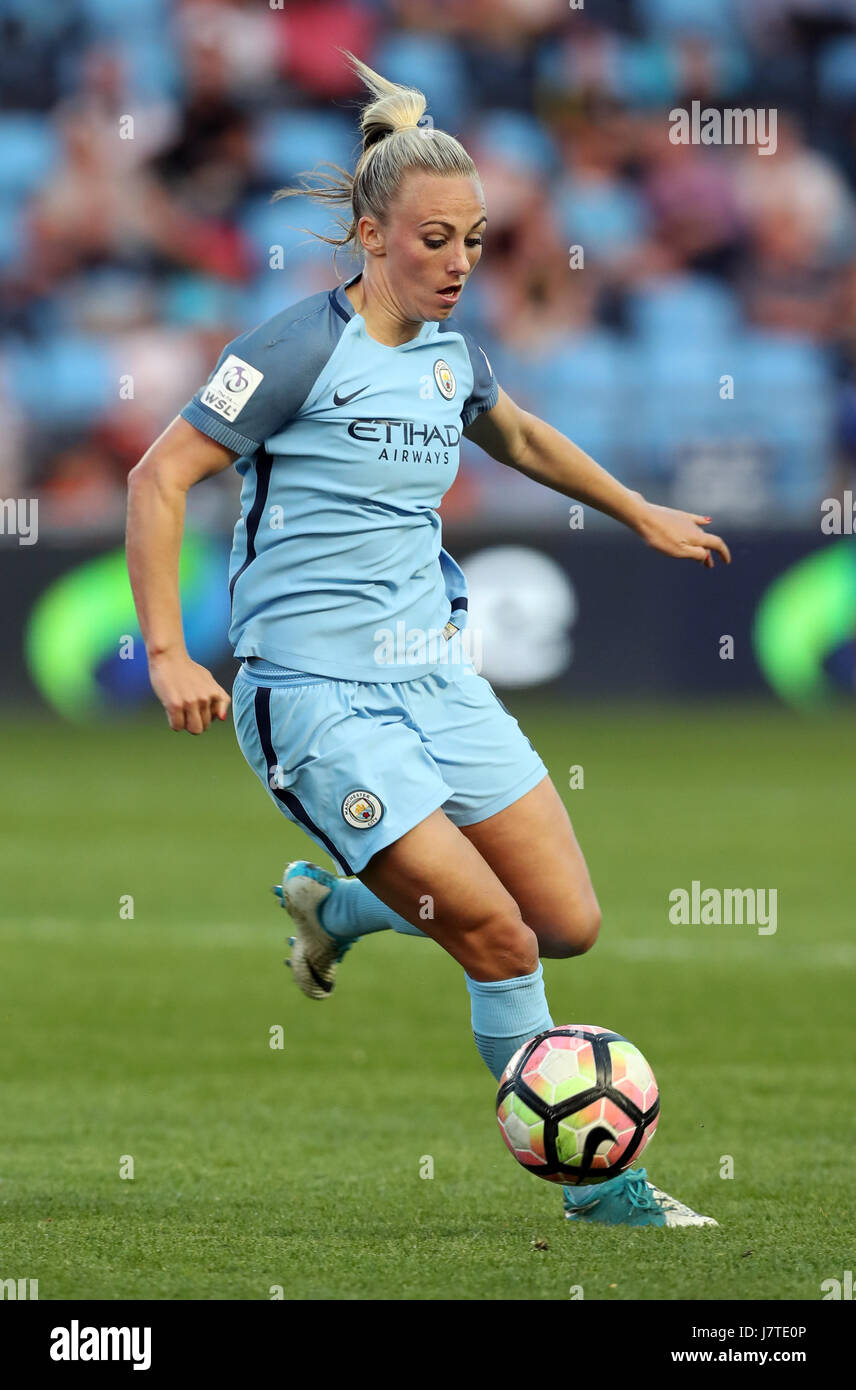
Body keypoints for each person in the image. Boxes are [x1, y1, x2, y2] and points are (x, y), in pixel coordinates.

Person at [126, 53, 730, 1228]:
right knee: (502, 942)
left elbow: (519, 436)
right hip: (315, 697)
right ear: (368, 234)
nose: (458, 264)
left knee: (567, 922)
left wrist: (637, 508)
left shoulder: (455, 352)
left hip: (436, 679)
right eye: (434, 240)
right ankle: (607, 1197)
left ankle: (336, 906)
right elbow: (158, 479)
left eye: (476, 240)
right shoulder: (294, 350)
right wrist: (164, 651)